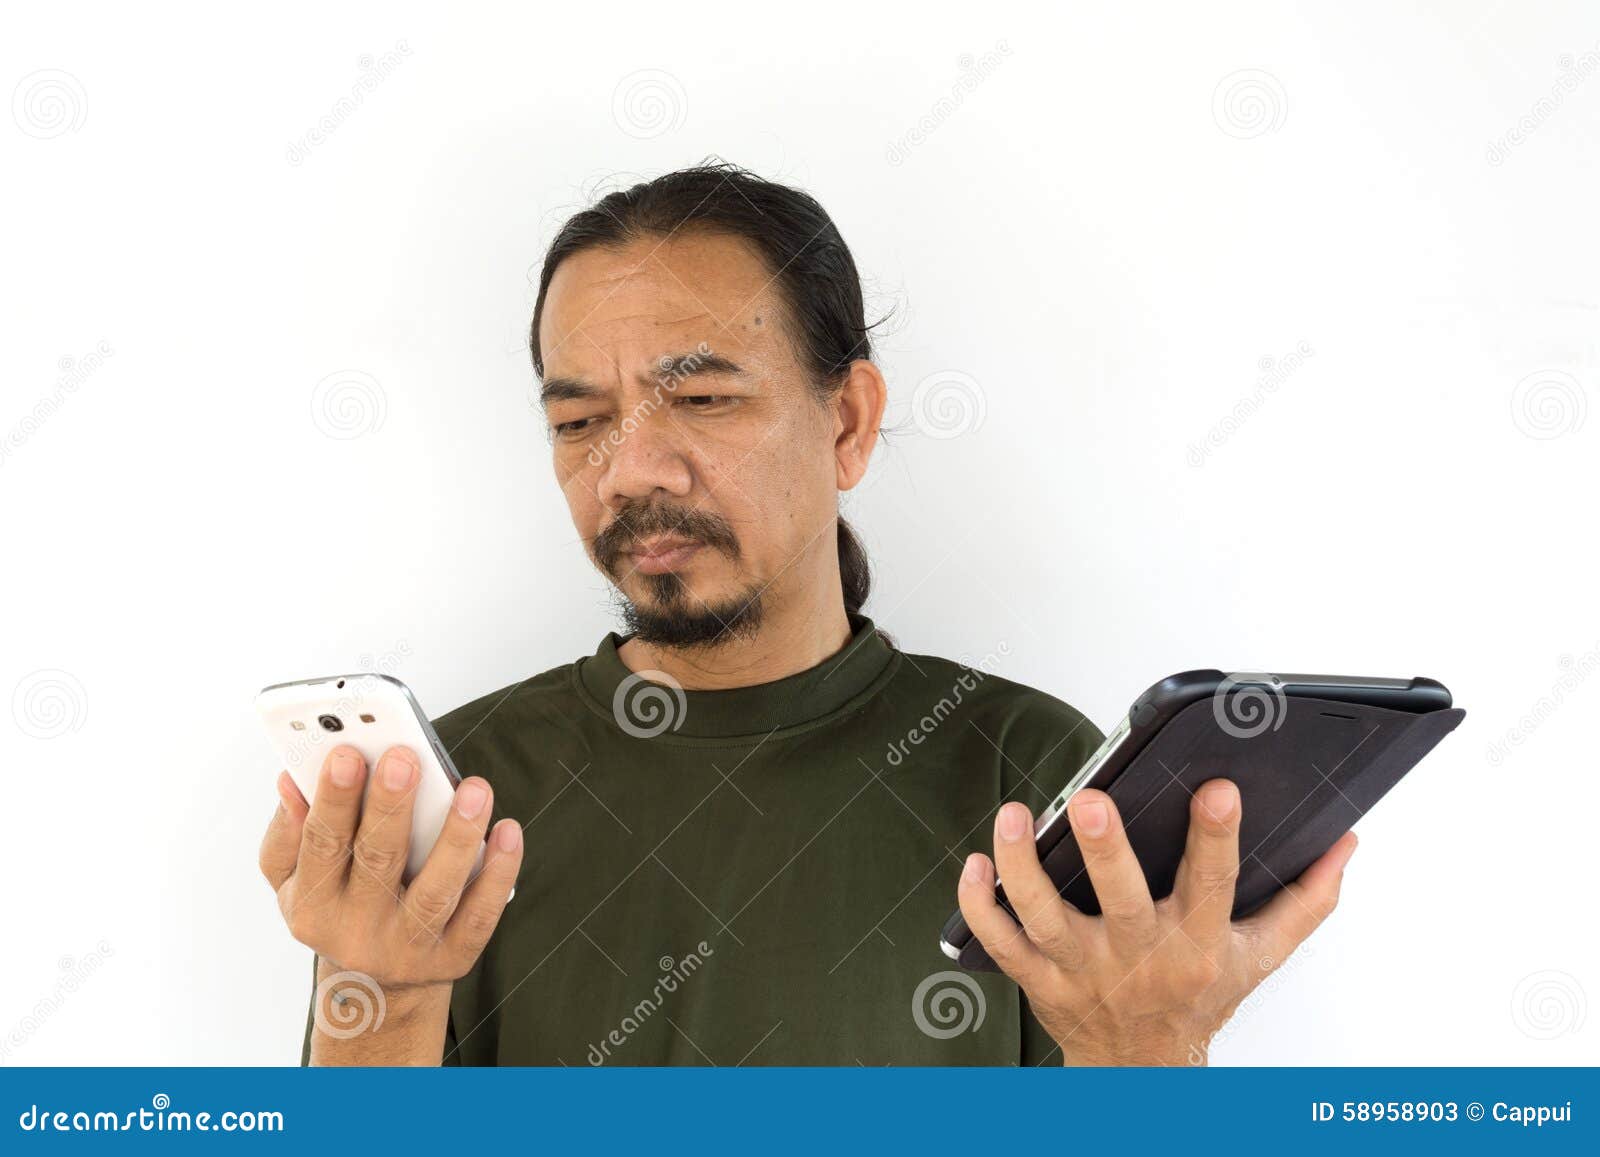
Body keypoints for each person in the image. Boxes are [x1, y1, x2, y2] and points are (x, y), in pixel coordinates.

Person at [258, 161, 1357, 1066]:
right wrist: (382, 994)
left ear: (848, 422)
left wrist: (1149, 1054)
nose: (630, 466)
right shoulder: (453, 795)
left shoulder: (1038, 778)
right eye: (579, 416)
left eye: (700, 398)